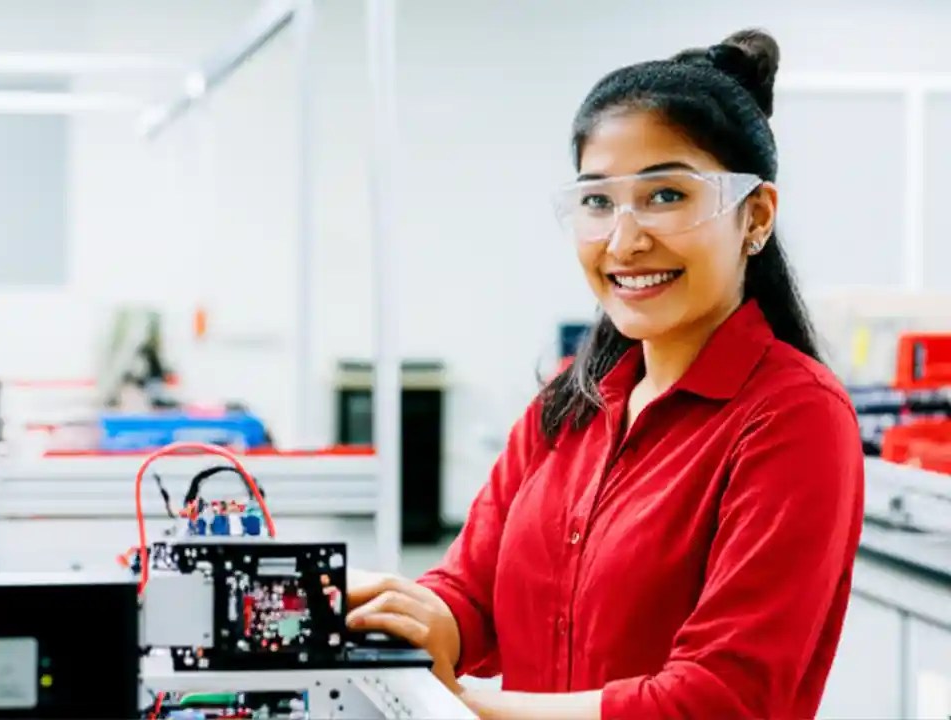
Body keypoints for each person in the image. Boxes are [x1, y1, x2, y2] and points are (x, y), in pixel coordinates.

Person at [346, 29, 865, 720]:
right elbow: (472, 593)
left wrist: (469, 708)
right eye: (597, 202)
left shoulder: (795, 417)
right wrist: (400, 616)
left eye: (666, 195)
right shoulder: (571, 405)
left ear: (757, 216)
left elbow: (721, 697)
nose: (624, 241)